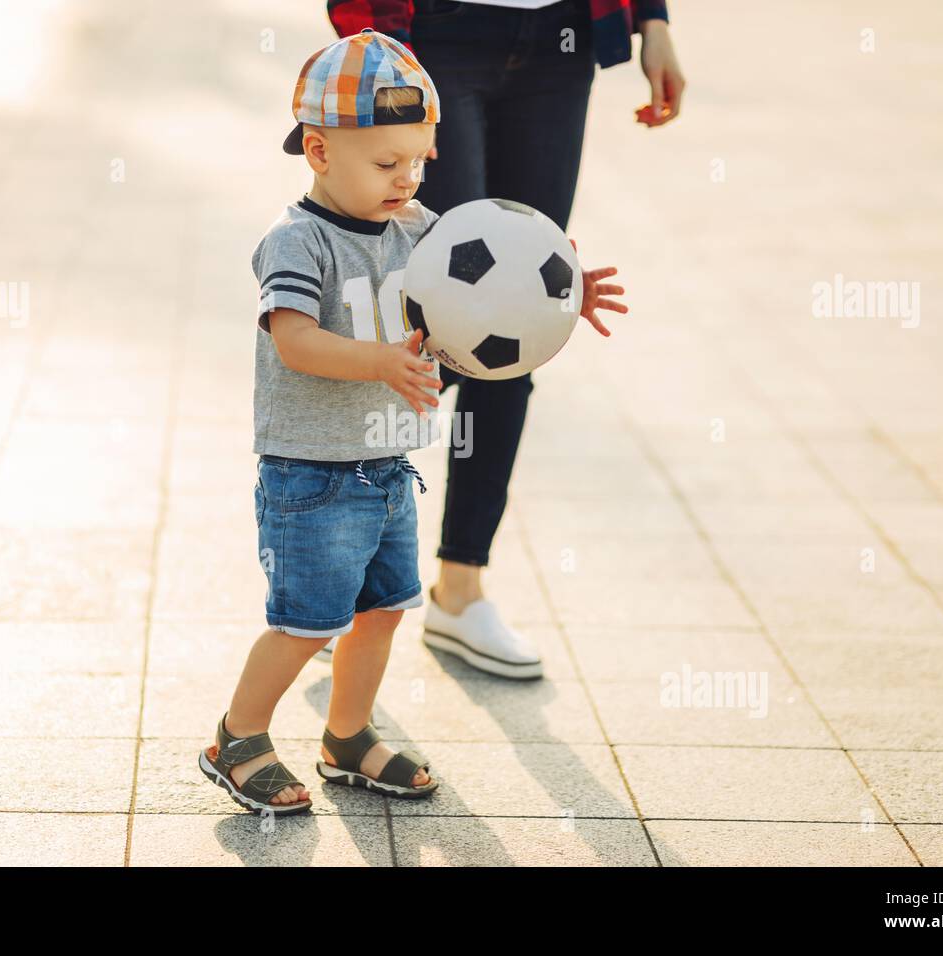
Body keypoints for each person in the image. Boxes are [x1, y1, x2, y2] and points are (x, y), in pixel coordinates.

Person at [199, 29, 627, 813]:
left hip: (389, 466)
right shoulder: (298, 240)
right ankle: (240, 736)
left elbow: (493, 288)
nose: (409, 179)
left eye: (420, 160)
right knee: (306, 621)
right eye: (387, 163)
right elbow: (293, 341)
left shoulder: (421, 230)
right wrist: (379, 363)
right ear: (320, 151)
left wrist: (560, 292)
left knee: (382, 612)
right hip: (312, 472)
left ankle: (348, 736)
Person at [320, 0, 685, 679]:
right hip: (430, 35)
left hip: (561, 40)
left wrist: (653, 20)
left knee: (519, 320)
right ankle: (334, 574)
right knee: (426, 323)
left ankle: (460, 589)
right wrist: (373, 54)